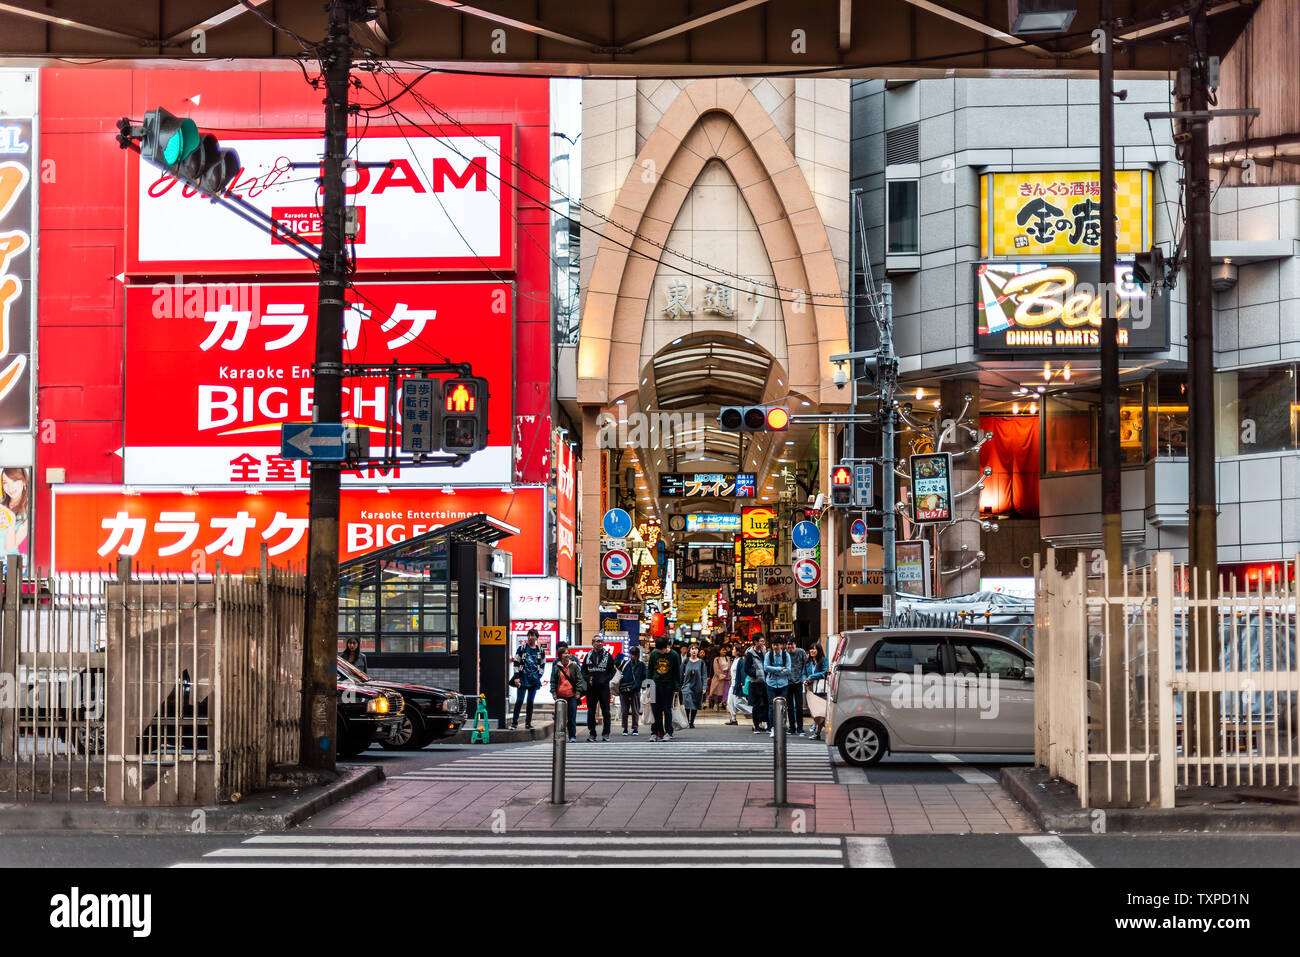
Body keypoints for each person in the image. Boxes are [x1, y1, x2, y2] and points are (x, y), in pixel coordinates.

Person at [646, 636, 681, 741]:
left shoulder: (674, 655)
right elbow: (649, 670)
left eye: (662, 649)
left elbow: (676, 673)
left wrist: (676, 688)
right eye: (658, 649)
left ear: (667, 647)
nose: (660, 652)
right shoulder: (653, 654)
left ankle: (668, 732)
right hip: (653, 685)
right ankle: (655, 732)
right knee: (655, 710)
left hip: (668, 685)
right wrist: (648, 686)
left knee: (667, 710)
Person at [581, 635, 616, 741]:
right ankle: (592, 733)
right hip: (591, 688)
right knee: (591, 711)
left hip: (604, 688)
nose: (600, 643)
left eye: (601, 641)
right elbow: (583, 671)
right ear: (593, 643)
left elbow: (613, 670)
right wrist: (588, 679)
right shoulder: (587, 655)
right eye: (597, 641)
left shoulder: (607, 655)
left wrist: (606, 679)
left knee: (606, 711)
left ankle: (606, 734)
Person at [510, 628, 545, 730]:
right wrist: (516, 677)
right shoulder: (522, 648)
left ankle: (528, 723)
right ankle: (514, 723)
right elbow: (516, 662)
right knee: (519, 701)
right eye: (529, 635)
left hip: (534, 680)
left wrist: (539, 677)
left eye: (532, 635)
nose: (530, 637)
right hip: (522, 679)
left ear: (536, 637)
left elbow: (542, 665)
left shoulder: (540, 650)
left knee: (530, 702)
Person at [550, 643, 584, 742]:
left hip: (572, 696)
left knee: (572, 717)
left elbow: (579, 679)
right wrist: (554, 693)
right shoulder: (556, 666)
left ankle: (572, 736)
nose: (567, 655)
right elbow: (553, 680)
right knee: (560, 718)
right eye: (565, 653)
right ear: (560, 655)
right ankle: (560, 736)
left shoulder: (574, 666)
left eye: (568, 653)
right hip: (560, 696)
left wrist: (578, 692)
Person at [763, 636, 796, 736]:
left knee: (783, 706)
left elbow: (789, 670)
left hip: (783, 684)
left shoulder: (786, 655)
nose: (775, 647)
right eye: (773, 645)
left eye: (777, 645)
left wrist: (774, 670)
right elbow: (765, 668)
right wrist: (779, 669)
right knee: (771, 706)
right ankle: (772, 728)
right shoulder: (769, 655)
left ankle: (781, 726)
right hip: (771, 684)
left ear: (781, 645)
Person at [618, 644, 646, 735]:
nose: (632, 656)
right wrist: (620, 655)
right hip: (624, 690)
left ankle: (635, 728)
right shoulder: (625, 663)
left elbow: (644, 676)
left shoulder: (641, 665)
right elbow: (615, 664)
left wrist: (641, 687)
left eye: (634, 654)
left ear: (637, 655)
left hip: (635, 690)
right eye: (631, 654)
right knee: (624, 710)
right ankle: (625, 728)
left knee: (635, 710)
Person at [802, 643, 829, 740]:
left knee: (820, 710)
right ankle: (818, 726)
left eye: (814, 649)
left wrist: (811, 677)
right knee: (813, 710)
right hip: (810, 687)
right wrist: (805, 680)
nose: (812, 651)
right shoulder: (808, 661)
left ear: (819, 650)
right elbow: (804, 673)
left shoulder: (824, 660)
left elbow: (824, 672)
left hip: (820, 687)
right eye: (810, 649)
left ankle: (817, 732)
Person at [680, 643, 707, 729]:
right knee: (687, 702)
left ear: (698, 651)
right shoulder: (686, 661)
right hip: (687, 685)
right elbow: (680, 674)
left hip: (697, 686)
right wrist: (678, 685)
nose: (694, 650)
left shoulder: (701, 662)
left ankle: (692, 721)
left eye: (695, 649)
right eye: (692, 649)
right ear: (689, 651)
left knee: (695, 704)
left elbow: (704, 675)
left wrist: (704, 687)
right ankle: (687, 721)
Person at [744, 636, 769, 733]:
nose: (763, 643)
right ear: (755, 642)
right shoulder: (750, 654)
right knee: (756, 705)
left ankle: (764, 724)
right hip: (755, 683)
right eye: (761, 641)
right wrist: (756, 674)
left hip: (764, 682)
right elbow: (746, 669)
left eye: (763, 641)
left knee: (765, 704)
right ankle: (756, 725)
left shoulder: (763, 652)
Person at [785, 638, 807, 735]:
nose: (790, 646)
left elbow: (806, 664)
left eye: (791, 644)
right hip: (787, 683)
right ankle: (792, 727)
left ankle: (800, 727)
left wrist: (803, 677)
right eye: (788, 644)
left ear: (795, 644)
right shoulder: (784, 653)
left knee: (799, 706)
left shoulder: (801, 652)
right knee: (789, 706)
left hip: (798, 682)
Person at [709, 644, 731, 710]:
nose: (725, 651)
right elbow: (716, 669)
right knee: (718, 692)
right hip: (719, 678)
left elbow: (730, 668)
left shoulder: (728, 658)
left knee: (727, 691)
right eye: (723, 650)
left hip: (727, 677)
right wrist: (721, 676)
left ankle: (727, 705)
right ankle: (716, 704)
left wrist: (729, 676)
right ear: (719, 651)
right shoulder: (716, 659)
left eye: (725, 650)